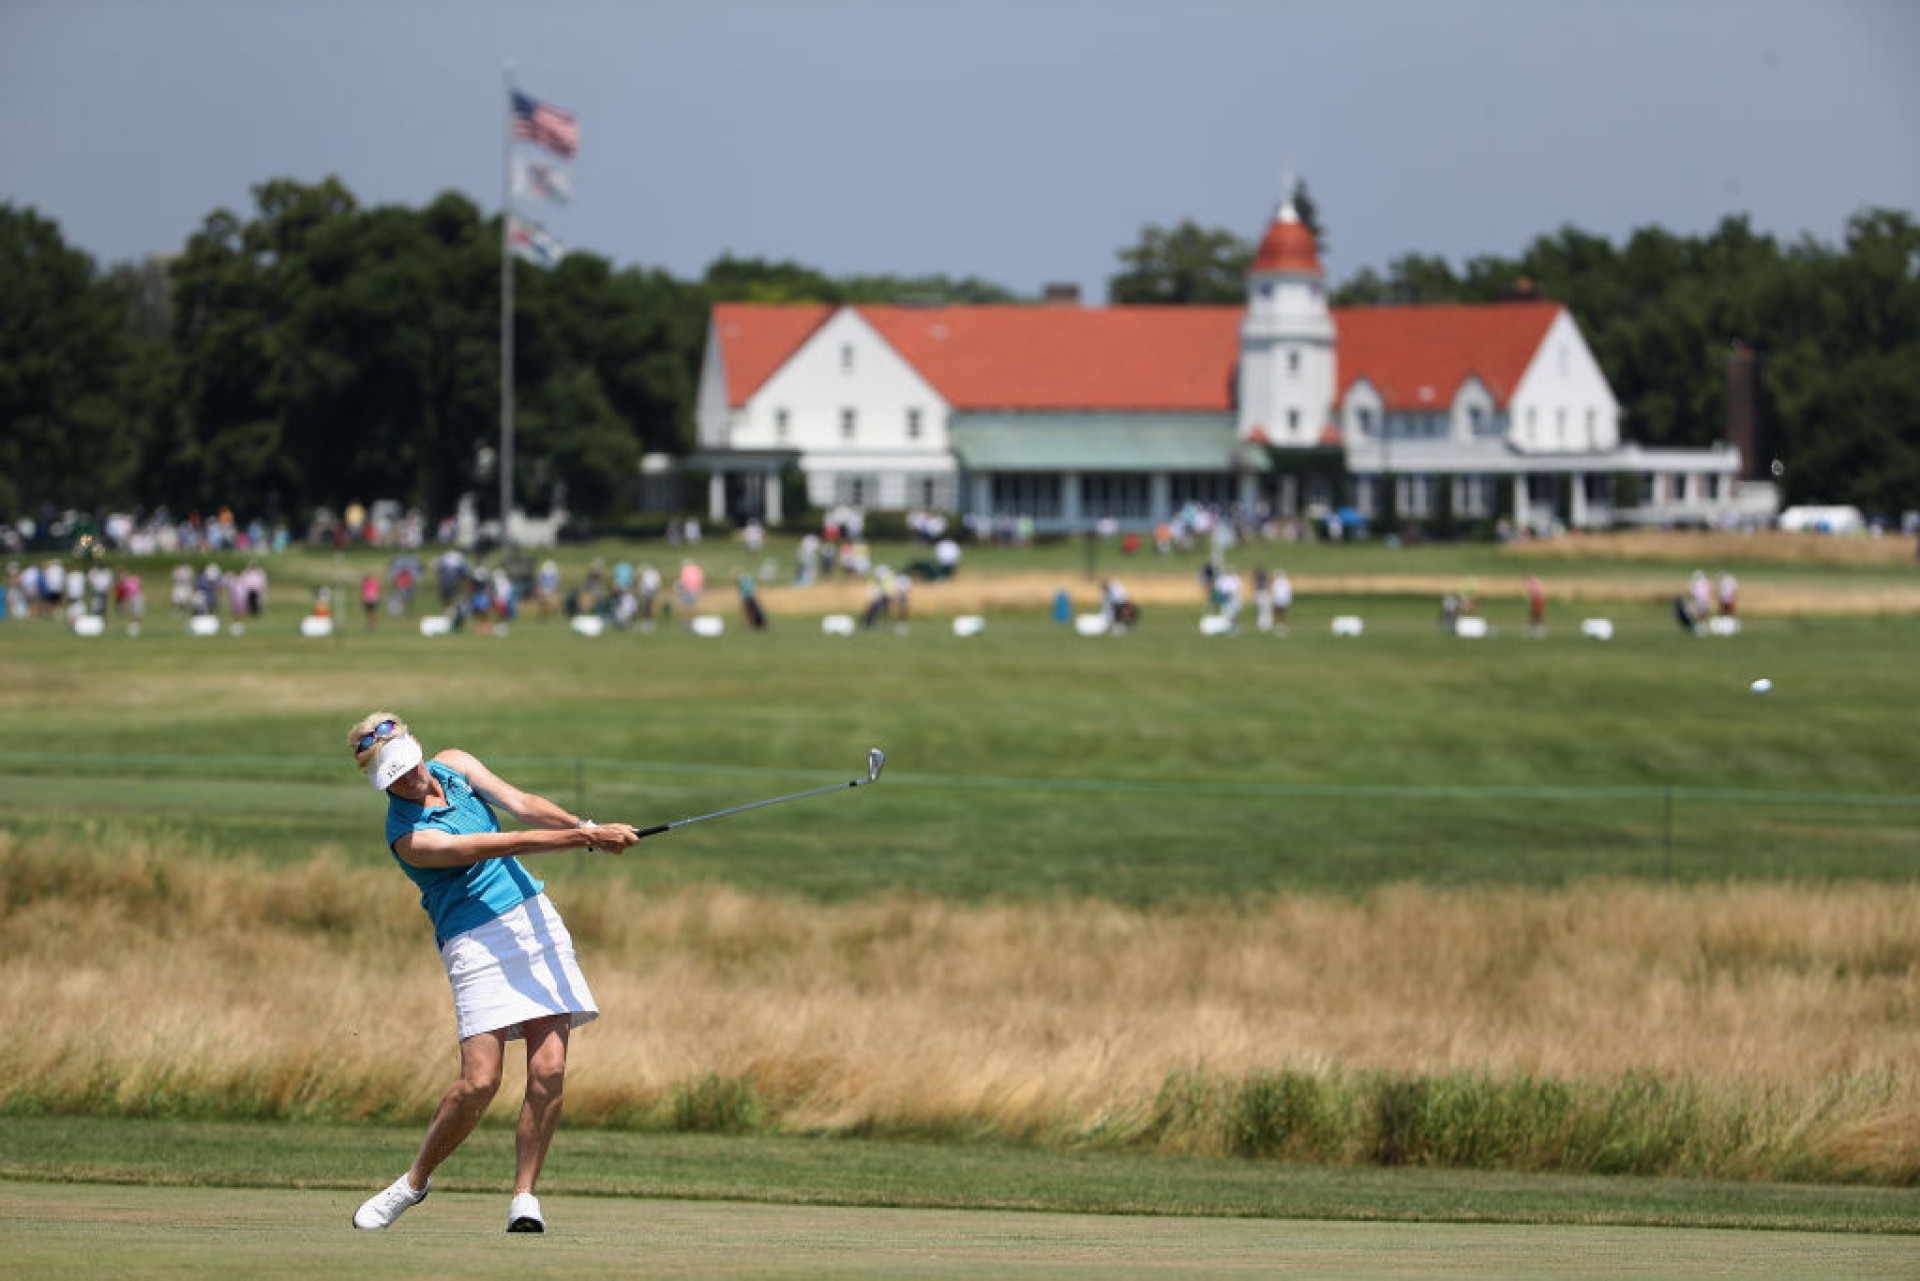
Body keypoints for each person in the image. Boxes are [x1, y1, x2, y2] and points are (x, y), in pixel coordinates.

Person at [346, 713, 639, 1234]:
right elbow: (499, 845)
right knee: (479, 1081)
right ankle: (413, 1182)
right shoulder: (407, 837)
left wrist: (586, 826)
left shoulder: (454, 765)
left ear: (418, 750)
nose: (408, 779)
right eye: (393, 777)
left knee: (548, 1070)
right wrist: (584, 839)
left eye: (409, 765)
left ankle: (524, 1197)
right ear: (381, 783)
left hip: (532, 920)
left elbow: (522, 804)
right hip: (474, 944)